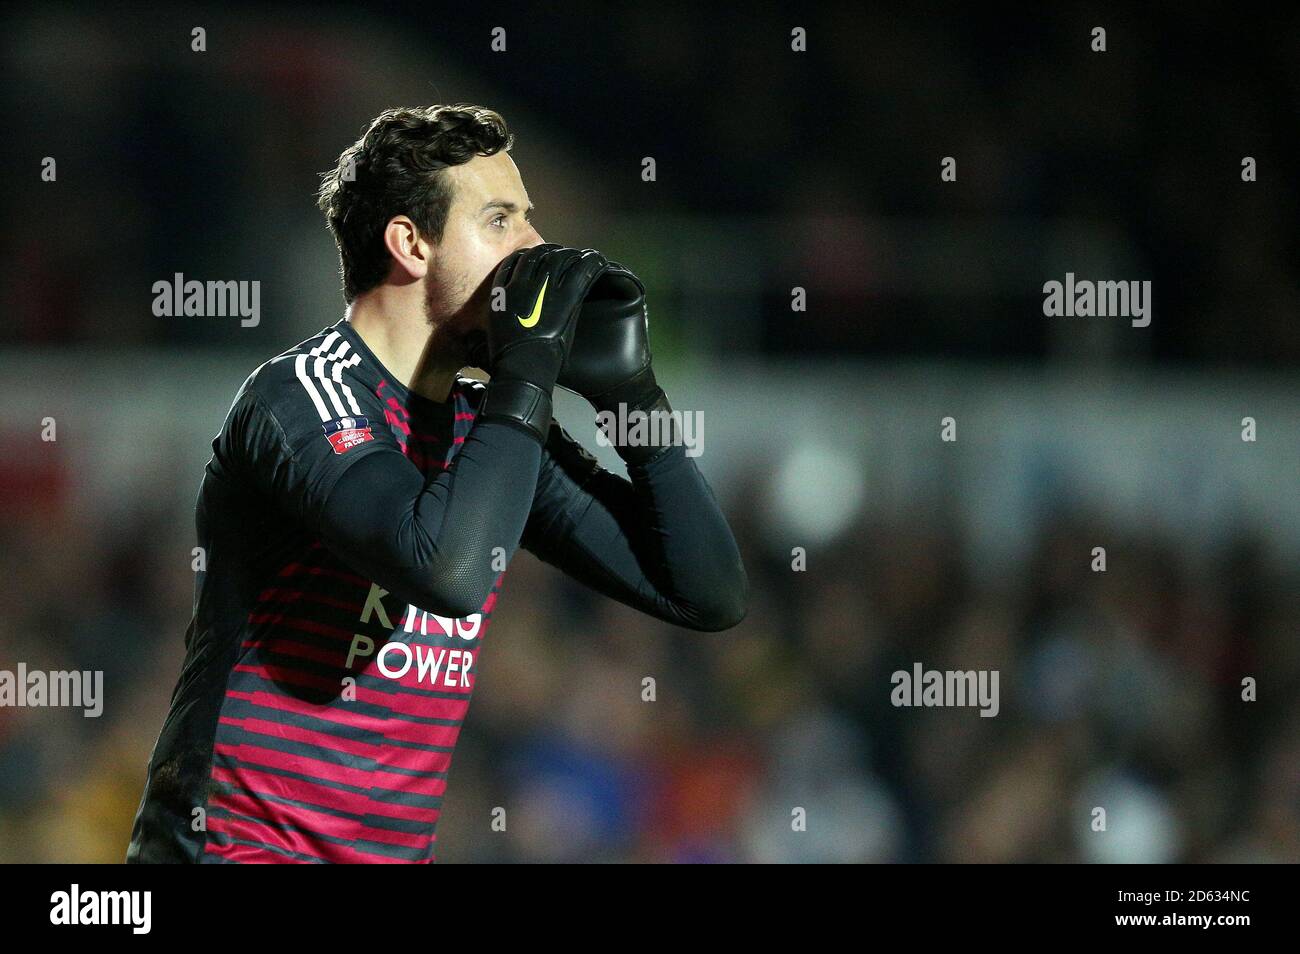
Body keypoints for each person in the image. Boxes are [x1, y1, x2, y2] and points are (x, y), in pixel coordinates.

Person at [126, 103, 748, 863]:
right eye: (500, 220)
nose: (534, 248)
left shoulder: (486, 425)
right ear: (410, 244)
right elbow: (445, 569)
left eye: (528, 220)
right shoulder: (300, 395)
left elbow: (707, 592)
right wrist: (527, 372)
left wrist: (632, 399)